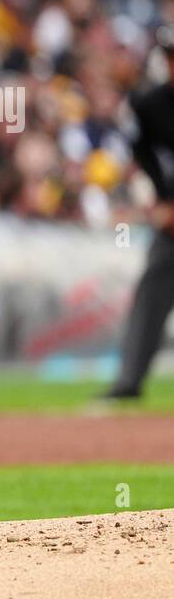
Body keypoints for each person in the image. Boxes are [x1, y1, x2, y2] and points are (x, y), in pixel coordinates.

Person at [103, 33, 174, 400]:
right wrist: (162, 199)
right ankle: (130, 380)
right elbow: (143, 152)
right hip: (171, 225)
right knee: (152, 293)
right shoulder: (151, 104)